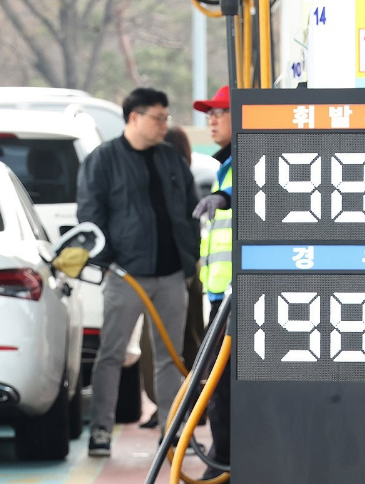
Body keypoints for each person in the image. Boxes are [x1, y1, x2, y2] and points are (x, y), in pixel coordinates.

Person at [77, 87, 200, 456]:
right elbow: (90, 216)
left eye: (166, 118)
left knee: (170, 356)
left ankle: (172, 430)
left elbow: (190, 209)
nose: (164, 125)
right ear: (134, 117)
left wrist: (189, 257)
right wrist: (108, 263)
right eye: (158, 118)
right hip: (125, 275)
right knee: (111, 354)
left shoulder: (171, 159)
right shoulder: (103, 160)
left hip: (171, 275)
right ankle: (101, 431)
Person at [138, 126, 206, 429]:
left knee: (164, 342)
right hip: (186, 270)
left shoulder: (173, 182)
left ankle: (182, 406)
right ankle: (182, 406)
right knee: (186, 340)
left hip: (175, 272)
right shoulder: (179, 181)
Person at [191, 85, 233, 479]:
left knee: (223, 388)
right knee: (218, 387)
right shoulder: (226, 164)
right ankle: (224, 463)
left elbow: (255, 184)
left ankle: (224, 467)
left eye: (220, 112)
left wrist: (226, 196)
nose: (212, 120)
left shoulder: (247, 160)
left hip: (240, 302)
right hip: (222, 299)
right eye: (209, 114)